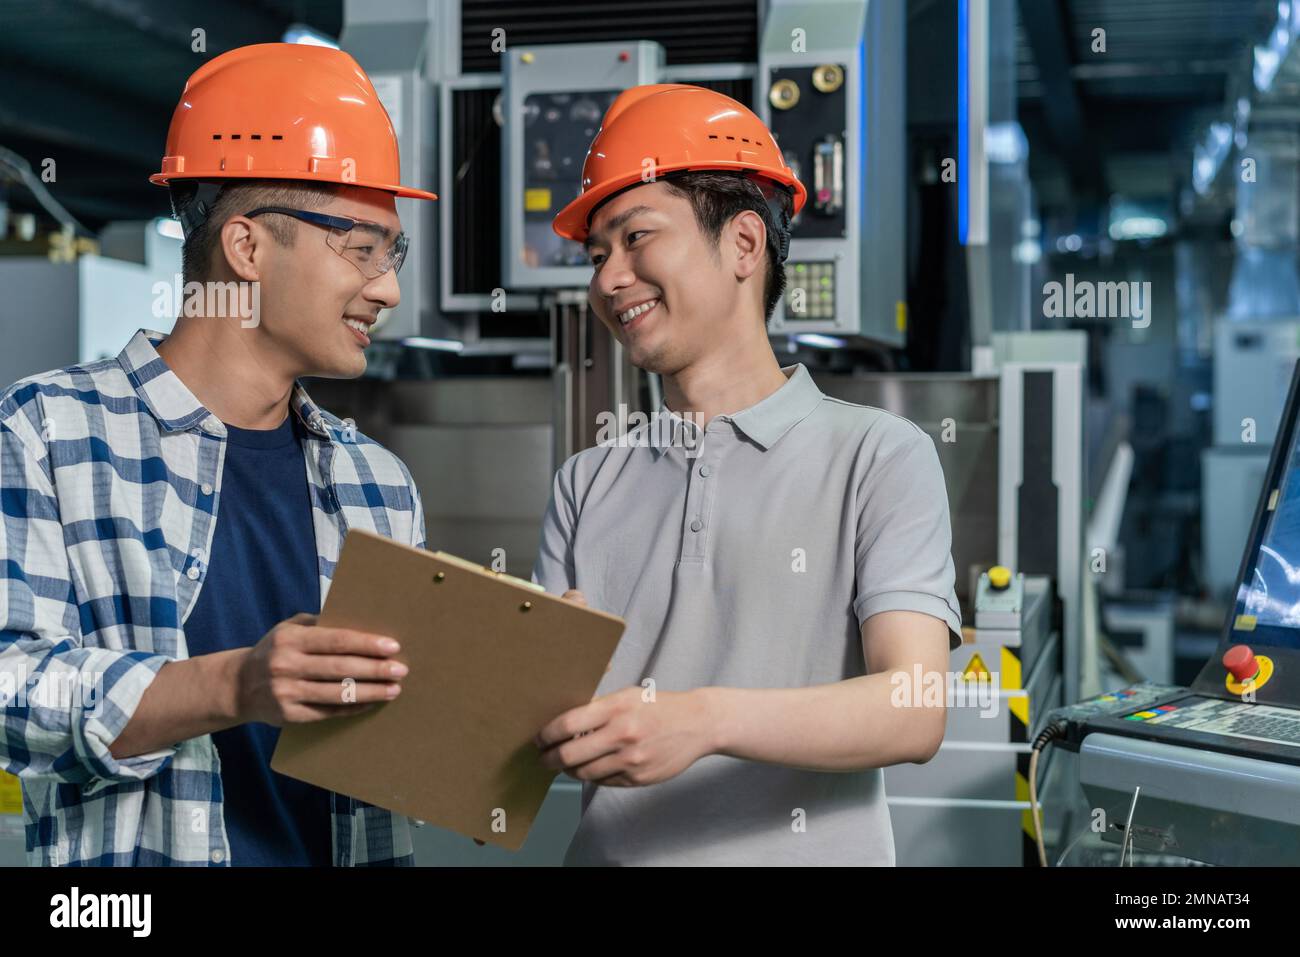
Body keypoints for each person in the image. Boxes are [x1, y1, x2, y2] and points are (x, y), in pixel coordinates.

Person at [0, 43, 436, 865]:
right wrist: (234, 685)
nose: (389, 289)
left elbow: (395, 747)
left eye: (394, 253)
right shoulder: (50, 433)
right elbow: (12, 690)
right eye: (363, 247)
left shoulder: (375, 482)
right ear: (245, 248)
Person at [532, 84, 963, 865]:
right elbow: (544, 731)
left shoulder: (879, 456)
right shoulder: (586, 481)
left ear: (742, 244)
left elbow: (914, 707)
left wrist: (704, 720)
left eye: (636, 238)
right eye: (596, 256)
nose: (608, 279)